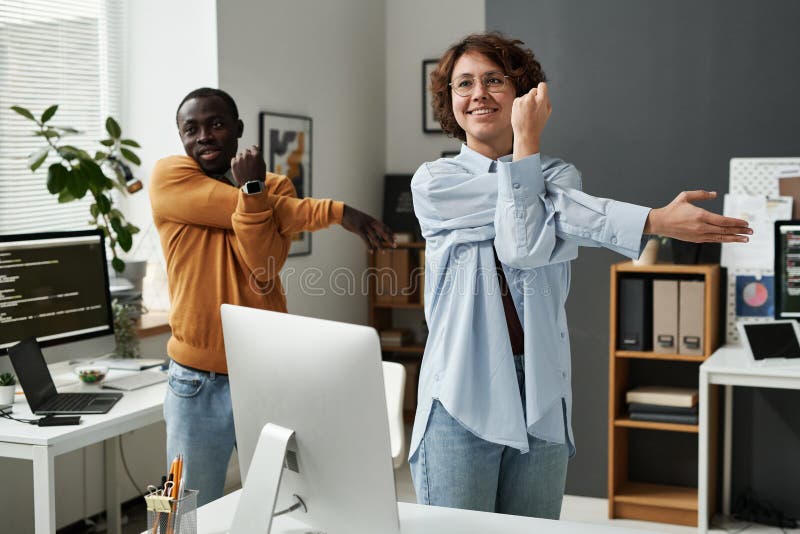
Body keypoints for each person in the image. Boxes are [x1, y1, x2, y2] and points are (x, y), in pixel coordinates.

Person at [409, 32, 750, 518]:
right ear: (451, 101)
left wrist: (538, 177)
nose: (478, 93)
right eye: (464, 84)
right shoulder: (435, 182)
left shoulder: (559, 177)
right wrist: (653, 220)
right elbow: (524, 244)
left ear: (523, 91)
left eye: (494, 79)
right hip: (460, 392)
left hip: (542, 393)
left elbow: (530, 228)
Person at [149, 87, 393, 506]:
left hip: (264, 372)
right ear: (181, 136)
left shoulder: (276, 186)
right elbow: (240, 205)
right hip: (194, 380)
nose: (204, 136)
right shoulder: (169, 178)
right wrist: (337, 212)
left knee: (286, 502)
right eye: (192, 129)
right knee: (185, 509)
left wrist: (255, 189)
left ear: (238, 128)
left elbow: (262, 265)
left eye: (216, 124)